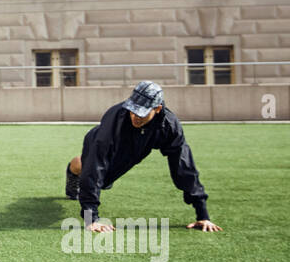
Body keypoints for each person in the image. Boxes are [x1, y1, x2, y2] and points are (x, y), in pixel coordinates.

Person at [64, 81, 222, 234]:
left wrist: (202, 214)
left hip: (138, 147)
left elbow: (184, 167)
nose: (135, 116)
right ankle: (72, 173)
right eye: (132, 110)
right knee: (87, 168)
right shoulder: (115, 117)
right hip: (103, 140)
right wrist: (90, 218)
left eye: (141, 112)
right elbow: (96, 163)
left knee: (104, 181)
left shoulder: (169, 126)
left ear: (158, 109)